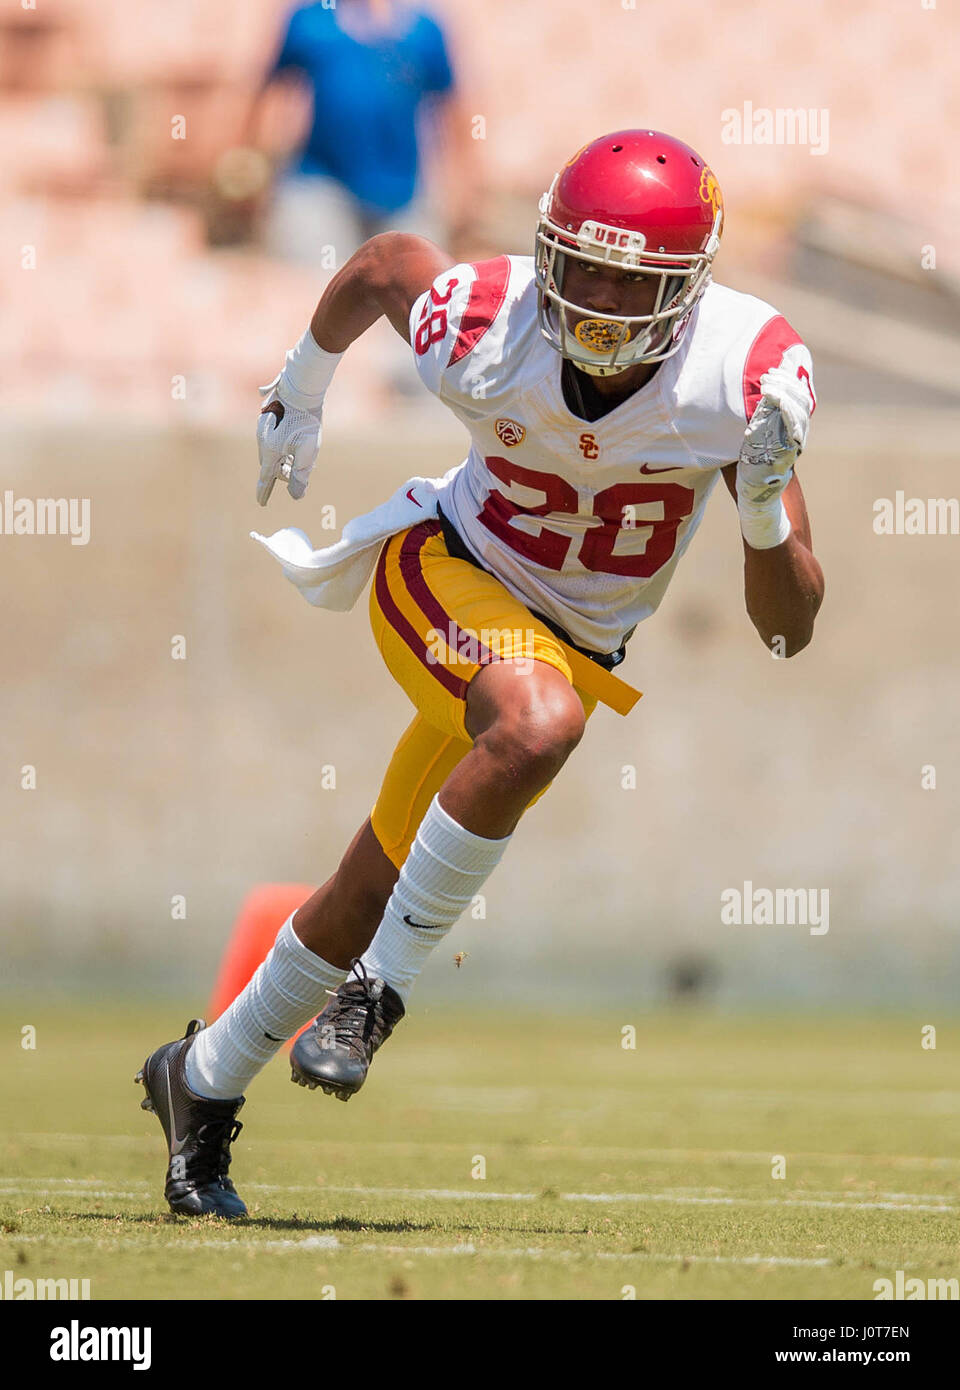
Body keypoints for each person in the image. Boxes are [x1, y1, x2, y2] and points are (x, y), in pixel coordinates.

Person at [136, 129, 823, 1217]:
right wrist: (300, 386)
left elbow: (788, 630)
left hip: (563, 649)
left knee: (372, 887)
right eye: (580, 266)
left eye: (628, 280)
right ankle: (379, 995)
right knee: (539, 724)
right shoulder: (489, 324)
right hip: (447, 572)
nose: (596, 299)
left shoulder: (738, 379)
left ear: (686, 288)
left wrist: (763, 504)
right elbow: (382, 265)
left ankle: (200, 1078)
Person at [243, 0, 470, 268]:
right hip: (320, 186)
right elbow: (267, 92)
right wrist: (250, 167)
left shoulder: (423, 30)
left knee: (419, 283)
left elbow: (452, 107)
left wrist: (462, 185)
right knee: (319, 276)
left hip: (404, 195)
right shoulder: (310, 21)